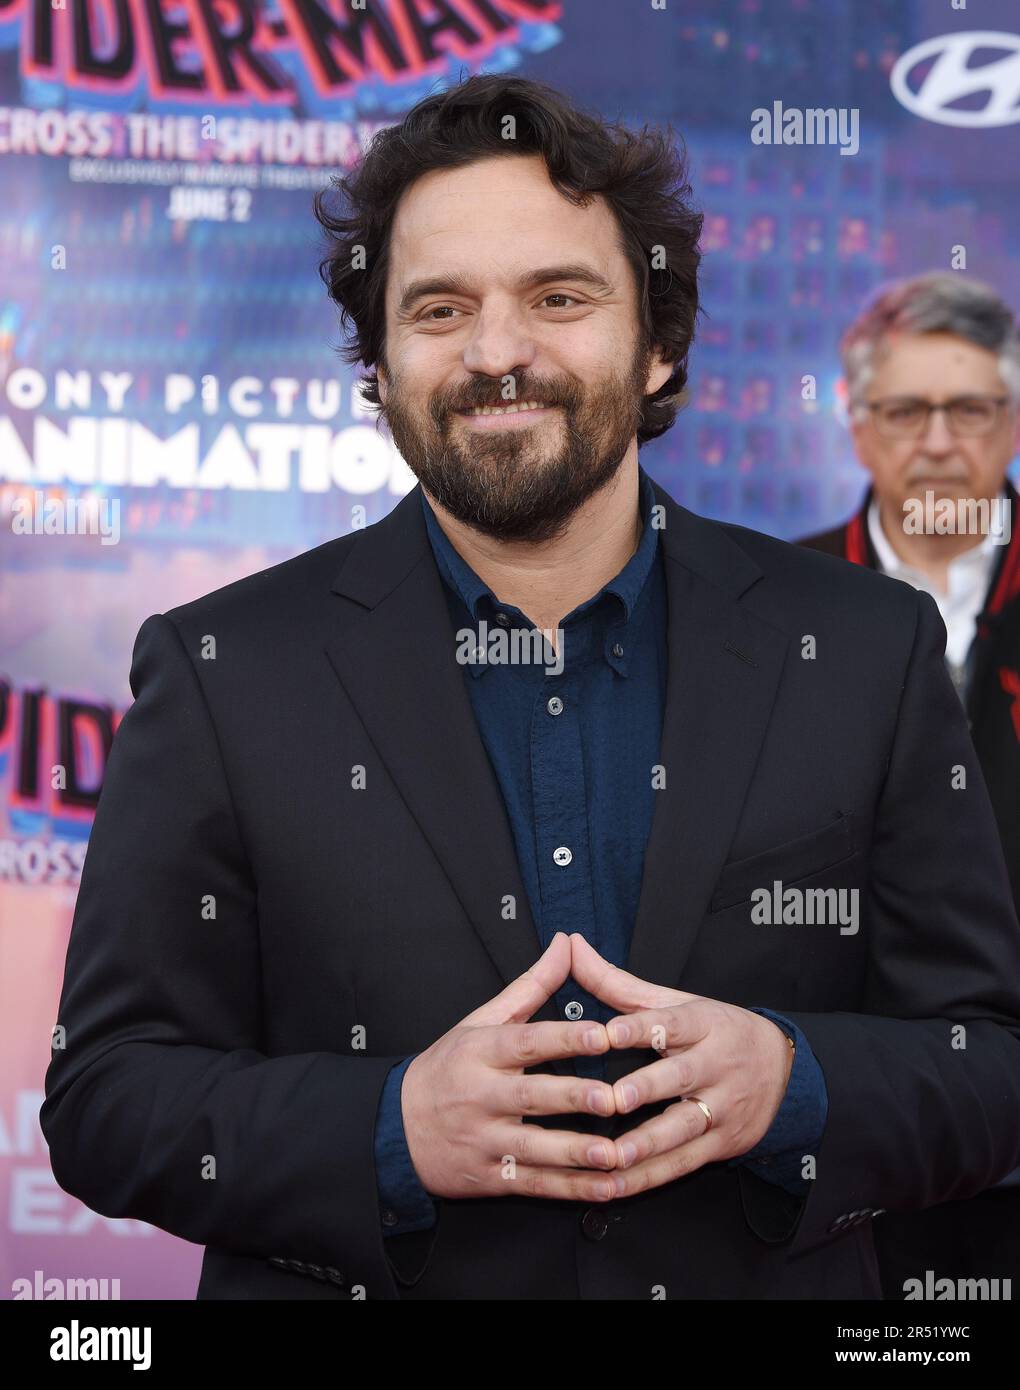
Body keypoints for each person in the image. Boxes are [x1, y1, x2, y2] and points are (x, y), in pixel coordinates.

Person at [41, 77, 1020, 1300]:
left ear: (658, 340)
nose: (498, 354)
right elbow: (107, 1094)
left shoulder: (866, 645)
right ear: (381, 363)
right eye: (440, 308)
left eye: (559, 297)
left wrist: (794, 1082)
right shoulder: (224, 670)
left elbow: (991, 1062)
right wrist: (391, 1125)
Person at [800, 271, 1020, 1298]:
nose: (938, 438)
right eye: (905, 409)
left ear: (1011, 422)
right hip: (843, 1147)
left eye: (970, 407)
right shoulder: (770, 612)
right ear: (856, 426)